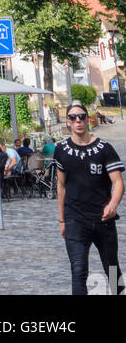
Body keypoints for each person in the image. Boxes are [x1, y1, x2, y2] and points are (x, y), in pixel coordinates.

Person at [55, 101, 124, 296]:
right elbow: (61, 186)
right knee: (78, 271)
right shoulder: (61, 150)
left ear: (87, 120)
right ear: (67, 122)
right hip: (75, 218)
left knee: (112, 268)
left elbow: (118, 182)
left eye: (82, 116)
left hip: (103, 219)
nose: (78, 120)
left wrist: (113, 205)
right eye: (73, 117)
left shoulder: (104, 148)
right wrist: (61, 220)